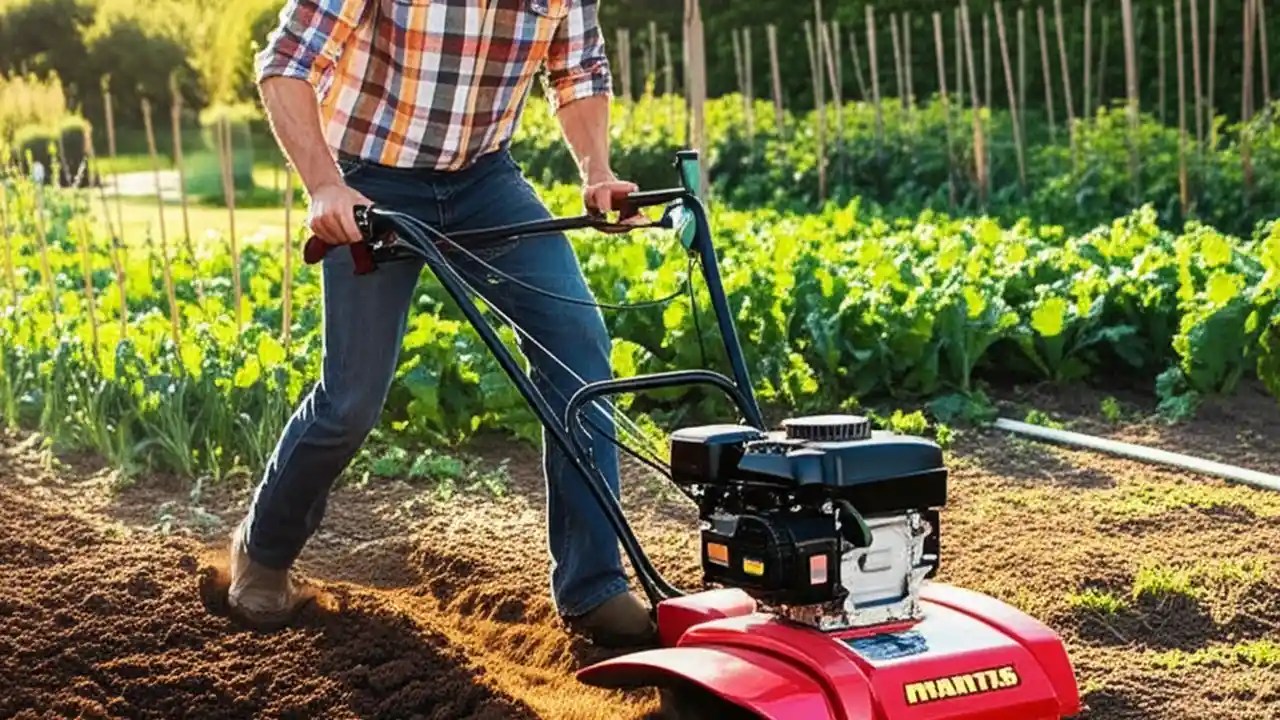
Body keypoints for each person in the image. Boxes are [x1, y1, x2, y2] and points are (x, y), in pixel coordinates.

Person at [226, 0, 654, 648]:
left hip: (486, 180)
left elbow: (580, 72)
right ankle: (263, 553)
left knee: (578, 348)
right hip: (371, 181)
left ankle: (594, 590)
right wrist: (325, 186)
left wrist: (597, 171)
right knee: (350, 400)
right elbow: (286, 64)